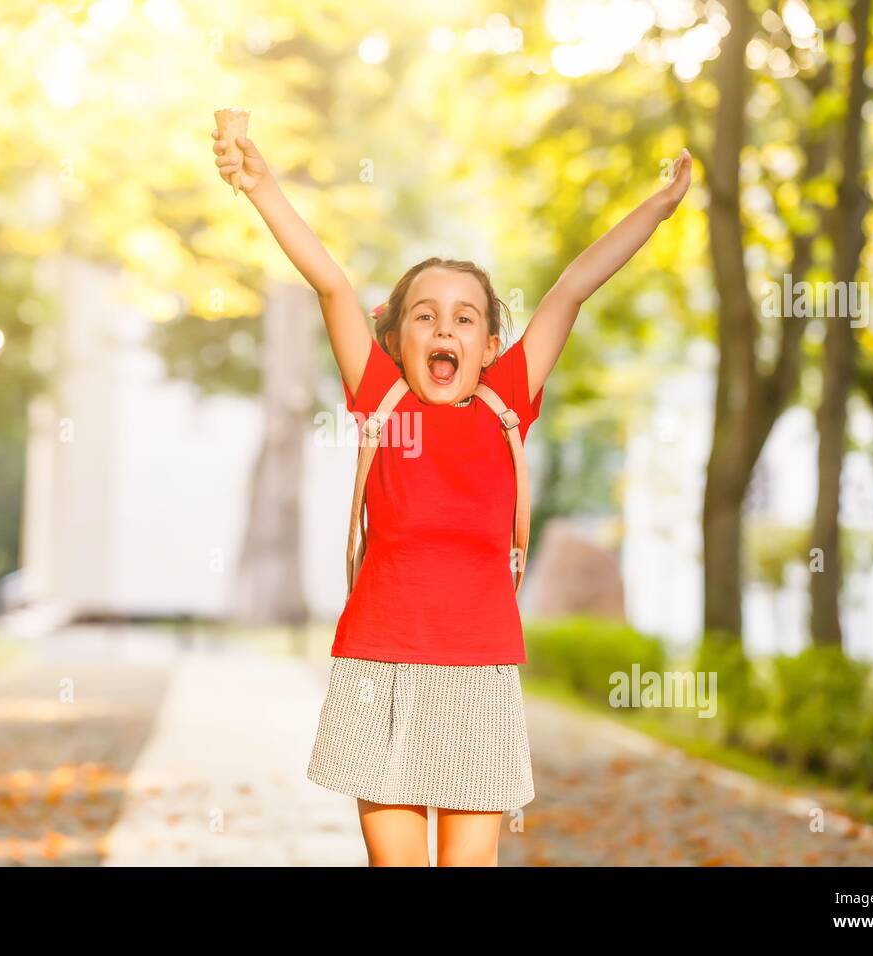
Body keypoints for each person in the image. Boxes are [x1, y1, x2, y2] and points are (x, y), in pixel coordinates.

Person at [213, 122, 692, 866]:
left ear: (490, 347)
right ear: (397, 341)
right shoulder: (380, 400)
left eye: (465, 318)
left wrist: (656, 209)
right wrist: (260, 185)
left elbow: (571, 288)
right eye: (424, 316)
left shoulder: (507, 404)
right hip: (379, 668)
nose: (445, 328)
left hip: (479, 675)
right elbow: (331, 282)